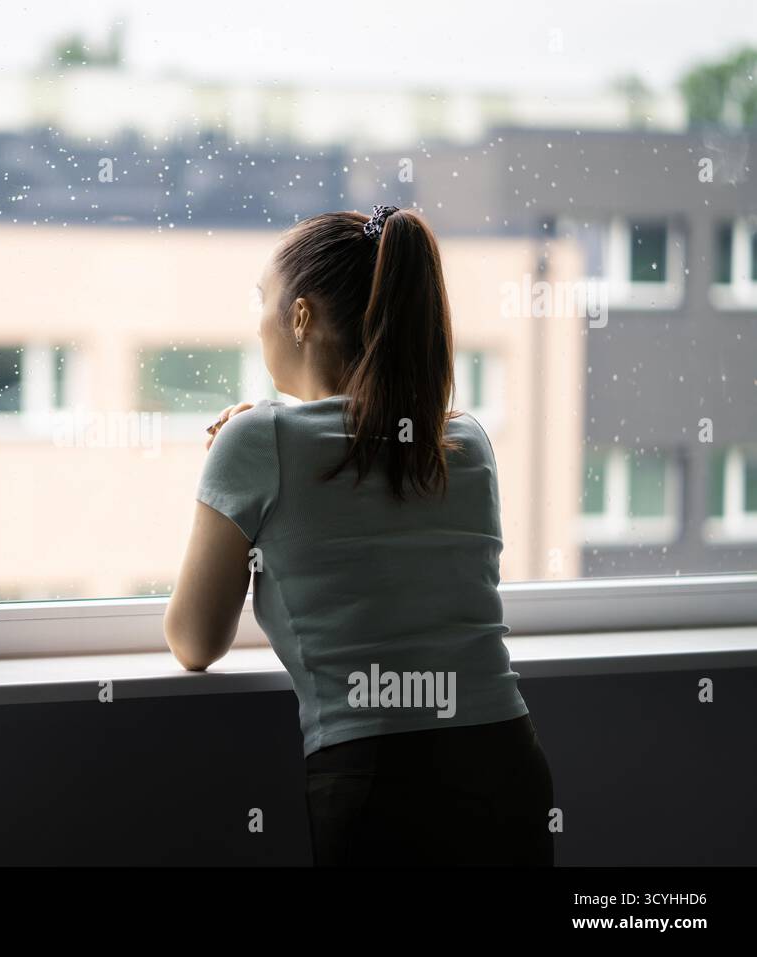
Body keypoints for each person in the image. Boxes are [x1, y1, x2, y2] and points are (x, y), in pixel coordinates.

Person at [163, 206, 555, 866]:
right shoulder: (463, 441)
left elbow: (194, 640)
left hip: (378, 780)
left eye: (264, 300)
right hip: (507, 764)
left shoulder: (256, 442)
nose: (257, 321)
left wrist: (244, 447)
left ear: (301, 317)